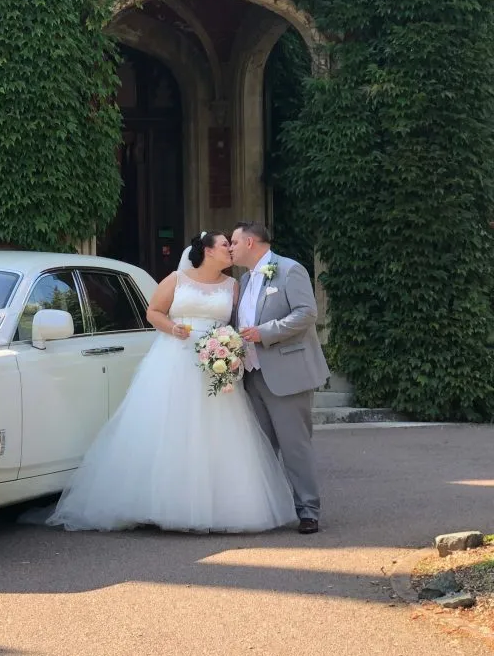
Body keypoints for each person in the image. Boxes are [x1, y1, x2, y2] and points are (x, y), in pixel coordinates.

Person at [45, 232, 298, 533]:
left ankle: (217, 506)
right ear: (207, 251)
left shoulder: (233, 286)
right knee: (168, 427)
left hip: (214, 364)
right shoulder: (177, 279)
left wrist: (229, 347)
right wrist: (173, 328)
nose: (230, 250)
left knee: (216, 432)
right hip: (175, 359)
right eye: (224, 245)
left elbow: (239, 321)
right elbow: (153, 312)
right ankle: (152, 504)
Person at [230, 222, 330, 534]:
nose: (230, 248)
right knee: (262, 448)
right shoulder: (244, 279)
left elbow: (306, 313)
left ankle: (308, 510)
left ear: (250, 242)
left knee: (295, 446)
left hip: (286, 372)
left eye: (234, 242)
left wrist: (265, 332)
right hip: (252, 374)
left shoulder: (289, 270)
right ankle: (272, 510)